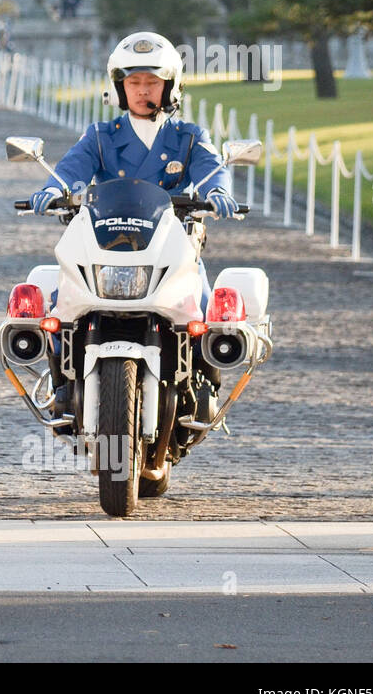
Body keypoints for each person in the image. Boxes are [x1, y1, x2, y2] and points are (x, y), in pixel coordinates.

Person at [28, 31, 238, 418]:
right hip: (109, 243)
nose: (143, 91)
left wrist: (218, 191)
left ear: (170, 86)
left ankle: (204, 386)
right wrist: (53, 188)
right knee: (60, 305)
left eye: (152, 82)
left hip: (170, 246)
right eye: (134, 82)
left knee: (205, 307)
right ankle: (62, 382)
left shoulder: (189, 137)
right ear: (120, 88)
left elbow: (211, 170)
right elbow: (72, 167)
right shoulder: (101, 135)